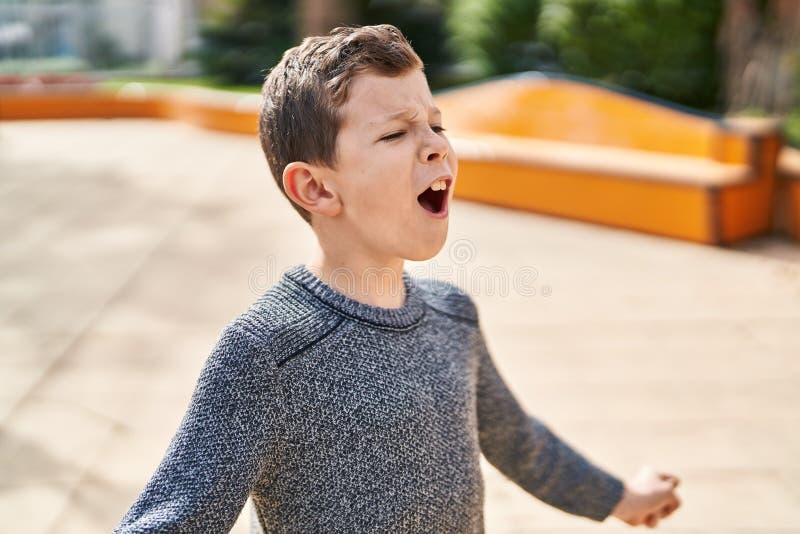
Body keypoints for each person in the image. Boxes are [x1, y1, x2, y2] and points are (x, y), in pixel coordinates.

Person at [113, 24, 681, 533]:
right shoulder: (265, 353)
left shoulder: (453, 316)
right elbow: (174, 517)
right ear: (317, 188)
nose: (436, 146)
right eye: (395, 134)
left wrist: (621, 498)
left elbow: (520, 444)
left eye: (436, 124)